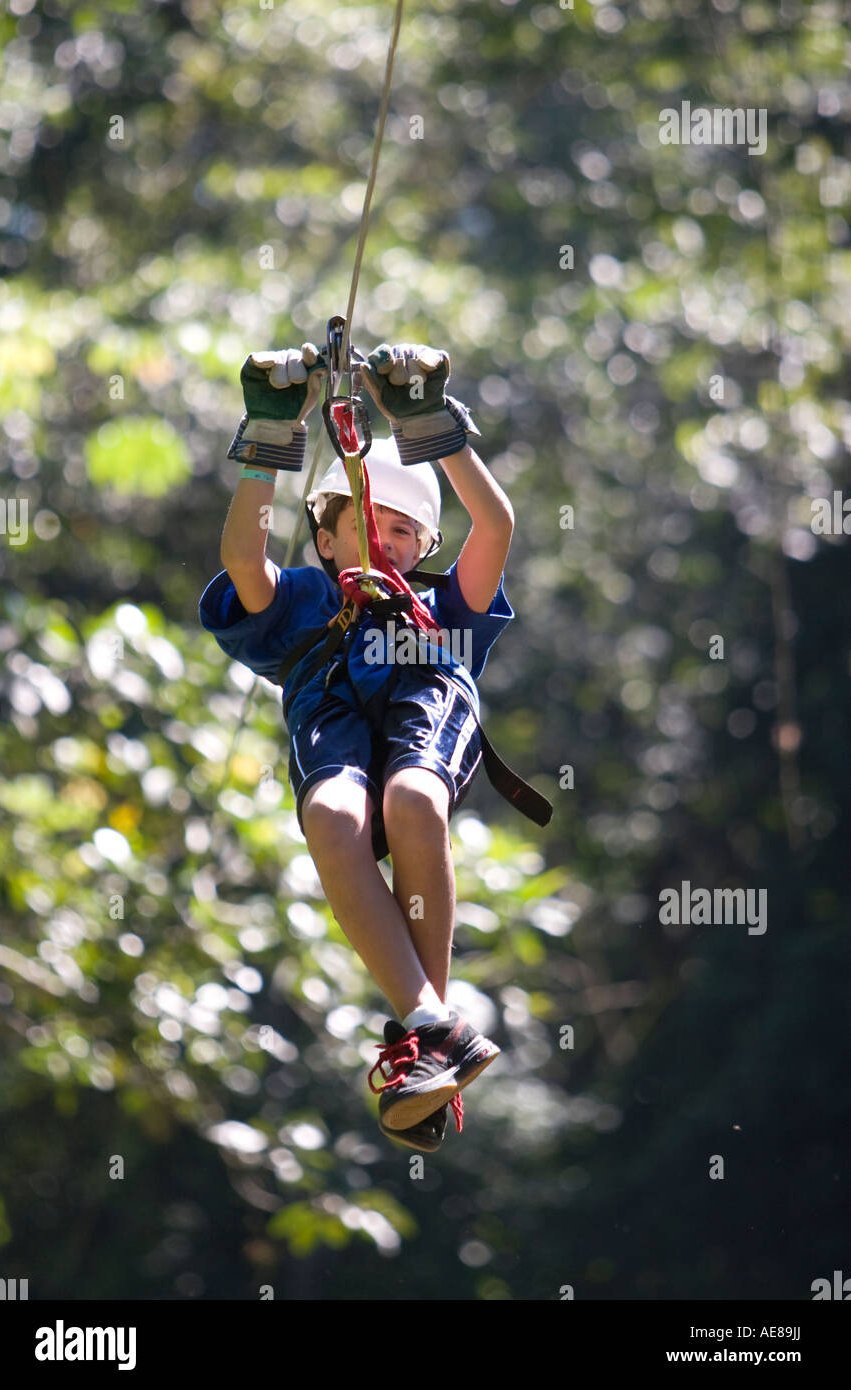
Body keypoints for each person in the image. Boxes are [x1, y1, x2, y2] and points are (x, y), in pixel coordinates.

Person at [199, 340, 517, 1153]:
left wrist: (429, 426)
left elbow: (497, 524)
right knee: (333, 816)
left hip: (421, 701)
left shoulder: (445, 606)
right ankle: (431, 1032)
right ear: (328, 538)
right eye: (369, 521)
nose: (391, 539)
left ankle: (428, 1035)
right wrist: (272, 436)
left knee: (413, 797)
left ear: (425, 549)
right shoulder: (301, 598)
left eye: (409, 530)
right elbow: (242, 557)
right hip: (332, 710)